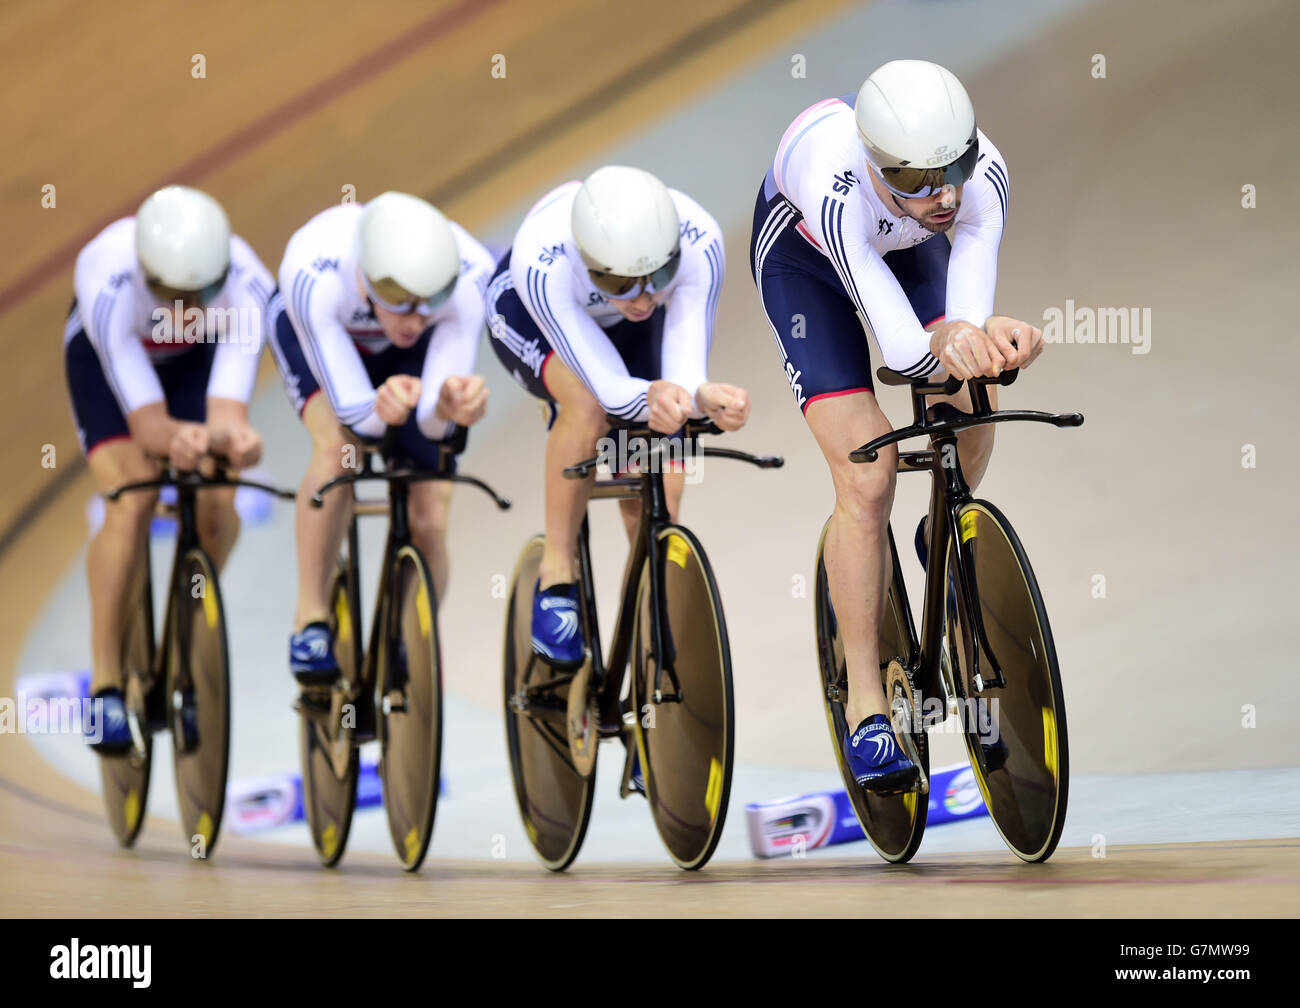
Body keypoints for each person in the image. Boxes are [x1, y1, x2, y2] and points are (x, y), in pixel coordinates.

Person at [749, 60, 1045, 791]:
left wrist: (992, 341)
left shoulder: (980, 176)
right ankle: (866, 706)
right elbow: (909, 351)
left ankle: (938, 532)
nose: (942, 193)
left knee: (974, 391)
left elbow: (962, 330)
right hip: (804, 266)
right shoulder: (834, 184)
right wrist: (960, 345)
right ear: (877, 167)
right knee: (866, 472)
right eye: (914, 179)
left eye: (953, 169)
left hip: (907, 251)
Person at [487, 164, 750, 671]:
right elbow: (611, 393)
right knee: (585, 408)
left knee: (658, 508)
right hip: (534, 319)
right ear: (588, 264)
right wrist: (664, 399)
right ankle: (557, 577)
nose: (647, 296)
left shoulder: (698, 240)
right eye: (624, 281)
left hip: (630, 333)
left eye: (659, 275)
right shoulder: (543, 263)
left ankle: (651, 660)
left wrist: (703, 396)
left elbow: (683, 375)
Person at [66, 184, 271, 752]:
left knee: (219, 498)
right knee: (131, 499)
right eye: (169, 293)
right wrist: (181, 439)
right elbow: (150, 425)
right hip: (111, 368)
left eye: (198, 294)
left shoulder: (249, 287)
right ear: (143, 270)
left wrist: (238, 441)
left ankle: (188, 624)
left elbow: (228, 414)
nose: (183, 310)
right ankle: (106, 683)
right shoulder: (107, 281)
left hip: (192, 364)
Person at [268, 191, 494, 684]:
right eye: (400, 303)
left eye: (428, 302)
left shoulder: (471, 273)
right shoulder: (313, 274)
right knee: (340, 452)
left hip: (409, 361)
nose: (414, 319)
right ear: (365, 281)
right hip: (323, 341)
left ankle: (406, 639)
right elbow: (359, 417)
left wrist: (450, 406)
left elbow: (436, 424)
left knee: (429, 509)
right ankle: (310, 617)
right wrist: (378, 407)